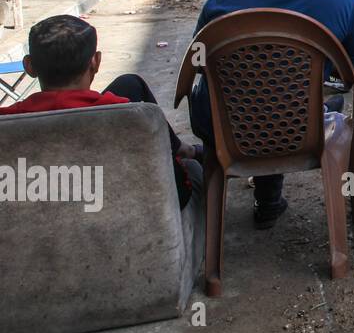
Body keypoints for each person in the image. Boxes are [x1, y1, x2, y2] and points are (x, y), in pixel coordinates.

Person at [188, 0, 354, 228]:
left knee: (257, 96)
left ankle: (260, 197)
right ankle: (272, 200)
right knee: (298, 99)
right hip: (300, 127)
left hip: (230, 128)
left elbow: (199, 63)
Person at [0, 15, 202, 207]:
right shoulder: (129, 115)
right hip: (125, 200)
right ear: (95, 62)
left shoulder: (8, 121)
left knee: (129, 83)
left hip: (43, 201)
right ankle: (185, 151)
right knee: (193, 170)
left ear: (29, 66)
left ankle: (185, 150)